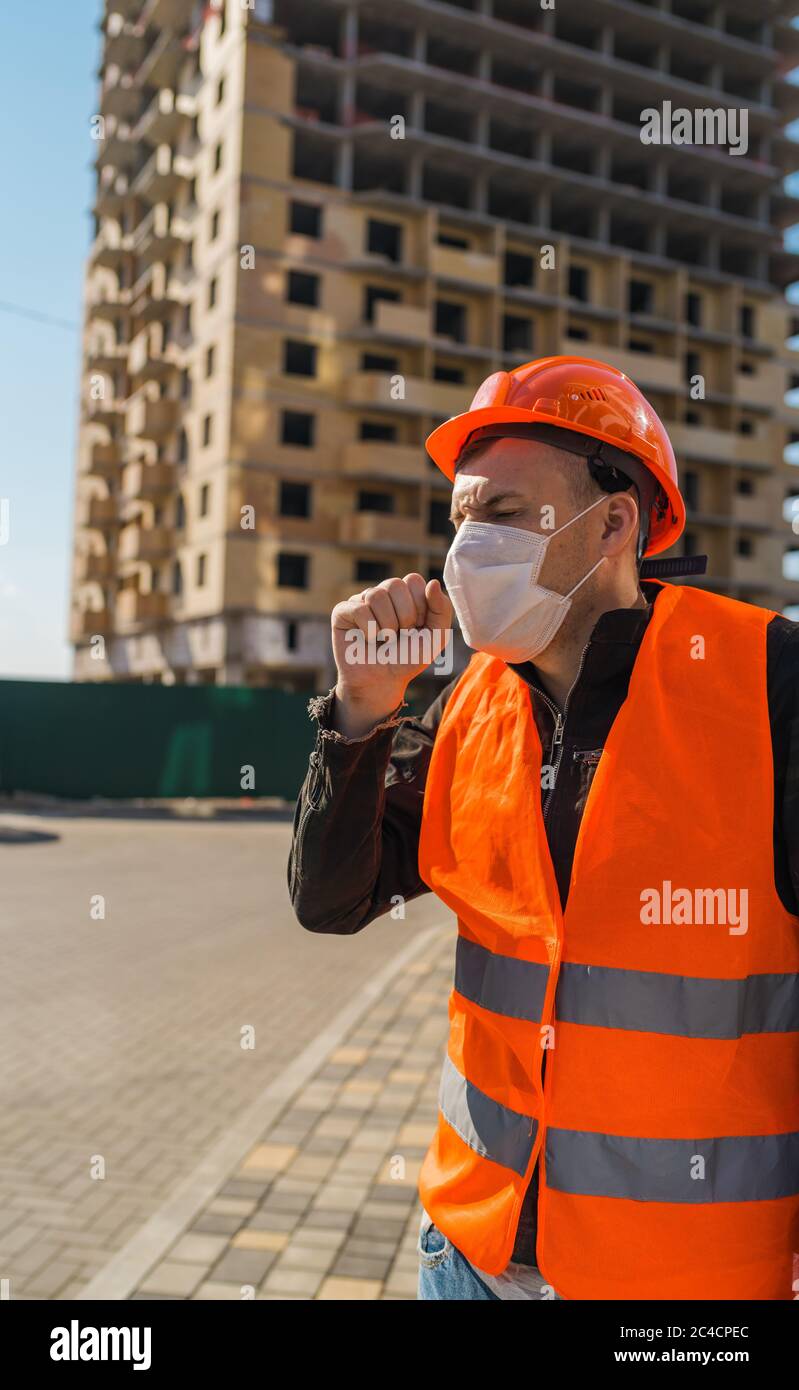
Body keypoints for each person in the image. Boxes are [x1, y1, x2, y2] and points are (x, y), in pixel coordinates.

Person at [288, 356, 799, 1301]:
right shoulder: (459, 708)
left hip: (684, 1285)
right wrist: (359, 713)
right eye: (459, 518)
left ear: (613, 522)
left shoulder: (768, 681)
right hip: (469, 1254)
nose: (465, 547)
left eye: (503, 514)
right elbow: (331, 901)